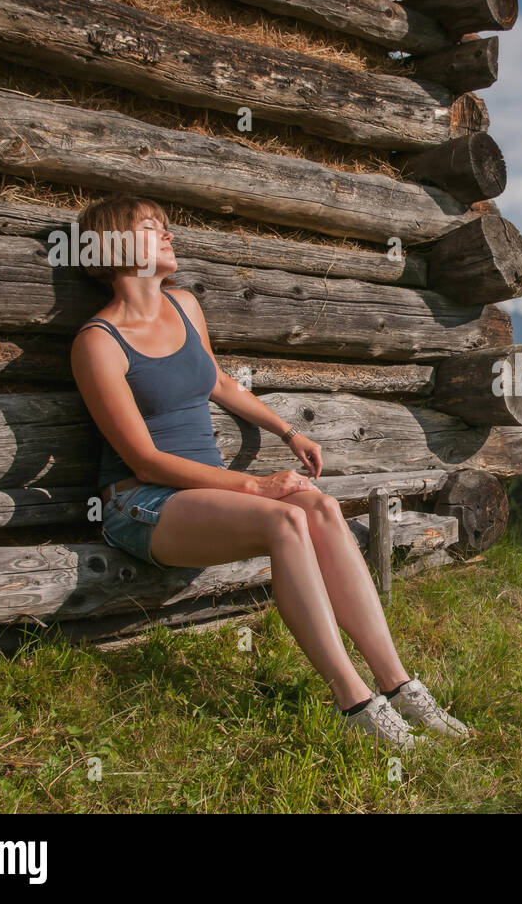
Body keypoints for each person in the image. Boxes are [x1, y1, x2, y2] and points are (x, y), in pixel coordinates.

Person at [68, 194, 468, 751]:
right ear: (113, 246)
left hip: (208, 496)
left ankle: (399, 684)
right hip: (143, 505)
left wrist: (288, 432)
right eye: (151, 227)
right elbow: (146, 461)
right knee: (284, 521)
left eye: (166, 225)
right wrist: (257, 485)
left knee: (322, 508)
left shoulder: (184, 306)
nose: (168, 235)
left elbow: (221, 384)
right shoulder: (97, 342)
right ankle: (354, 703)